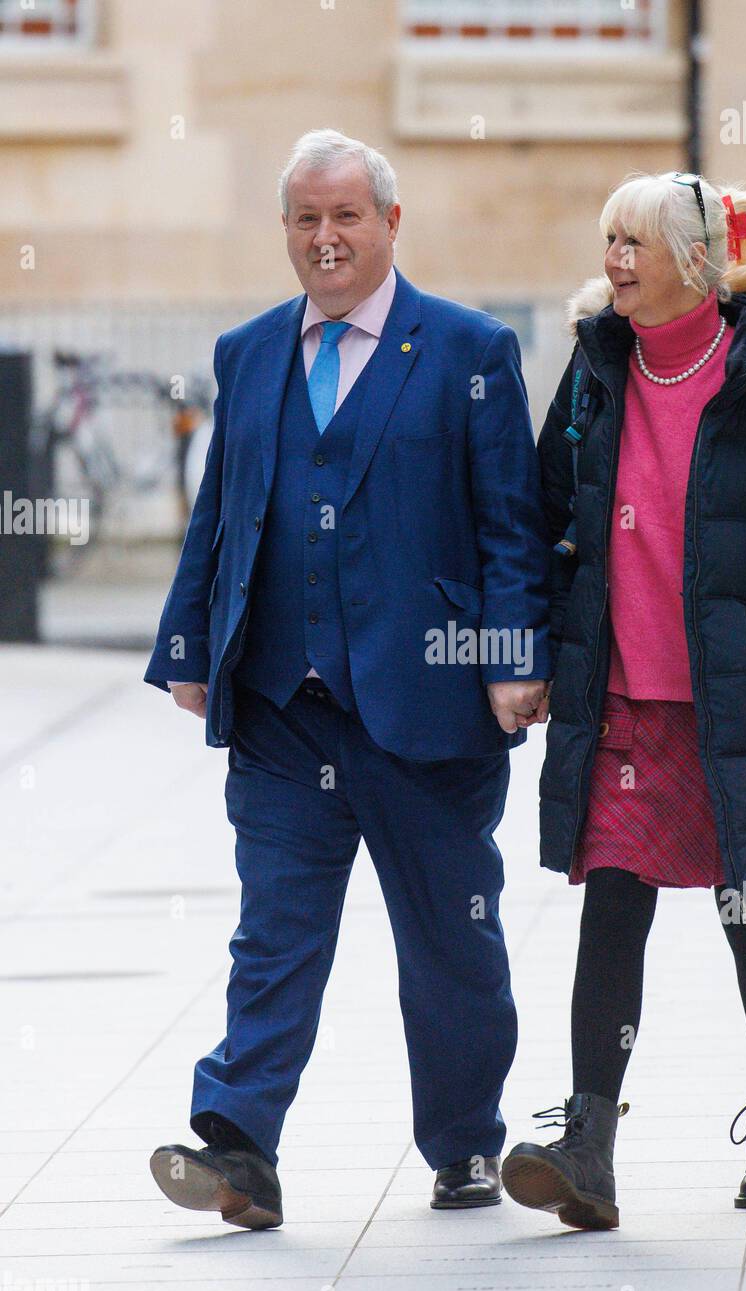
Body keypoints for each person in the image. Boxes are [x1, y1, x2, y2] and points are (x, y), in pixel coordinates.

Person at [144, 128, 551, 1228]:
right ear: (286, 231)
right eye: (305, 220)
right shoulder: (249, 352)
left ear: (390, 224)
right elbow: (223, 511)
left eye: (346, 217)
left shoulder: (469, 350)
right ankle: (238, 1149)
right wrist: (190, 643)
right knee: (273, 932)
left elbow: (510, 522)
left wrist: (514, 659)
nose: (326, 239)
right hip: (285, 708)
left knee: (449, 941)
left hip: (428, 706)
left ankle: (465, 1143)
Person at [502, 171, 746, 1231]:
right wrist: (533, 648)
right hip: (622, 699)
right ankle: (589, 1143)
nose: (614, 258)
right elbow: (541, 518)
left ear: (695, 263)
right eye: (607, 237)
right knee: (611, 906)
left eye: (634, 242)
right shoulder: (596, 368)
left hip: (733, 699)